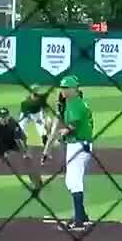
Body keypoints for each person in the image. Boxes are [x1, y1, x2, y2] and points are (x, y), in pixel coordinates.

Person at [42, 75, 96, 231]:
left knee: (73, 181)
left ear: (75, 89)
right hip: (80, 146)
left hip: (78, 145)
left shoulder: (75, 104)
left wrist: (59, 134)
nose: (63, 90)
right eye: (62, 87)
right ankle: (82, 215)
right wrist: (49, 147)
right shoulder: (73, 103)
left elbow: (71, 128)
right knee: (73, 180)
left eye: (66, 88)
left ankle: (79, 220)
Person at [17, 84, 54, 155]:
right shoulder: (25, 103)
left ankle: (46, 151)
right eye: (33, 90)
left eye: (36, 90)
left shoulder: (41, 98)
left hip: (37, 114)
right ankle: (25, 151)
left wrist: (43, 117)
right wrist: (19, 120)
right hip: (26, 115)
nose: (35, 91)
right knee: (21, 130)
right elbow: (25, 114)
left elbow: (48, 92)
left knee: (42, 131)